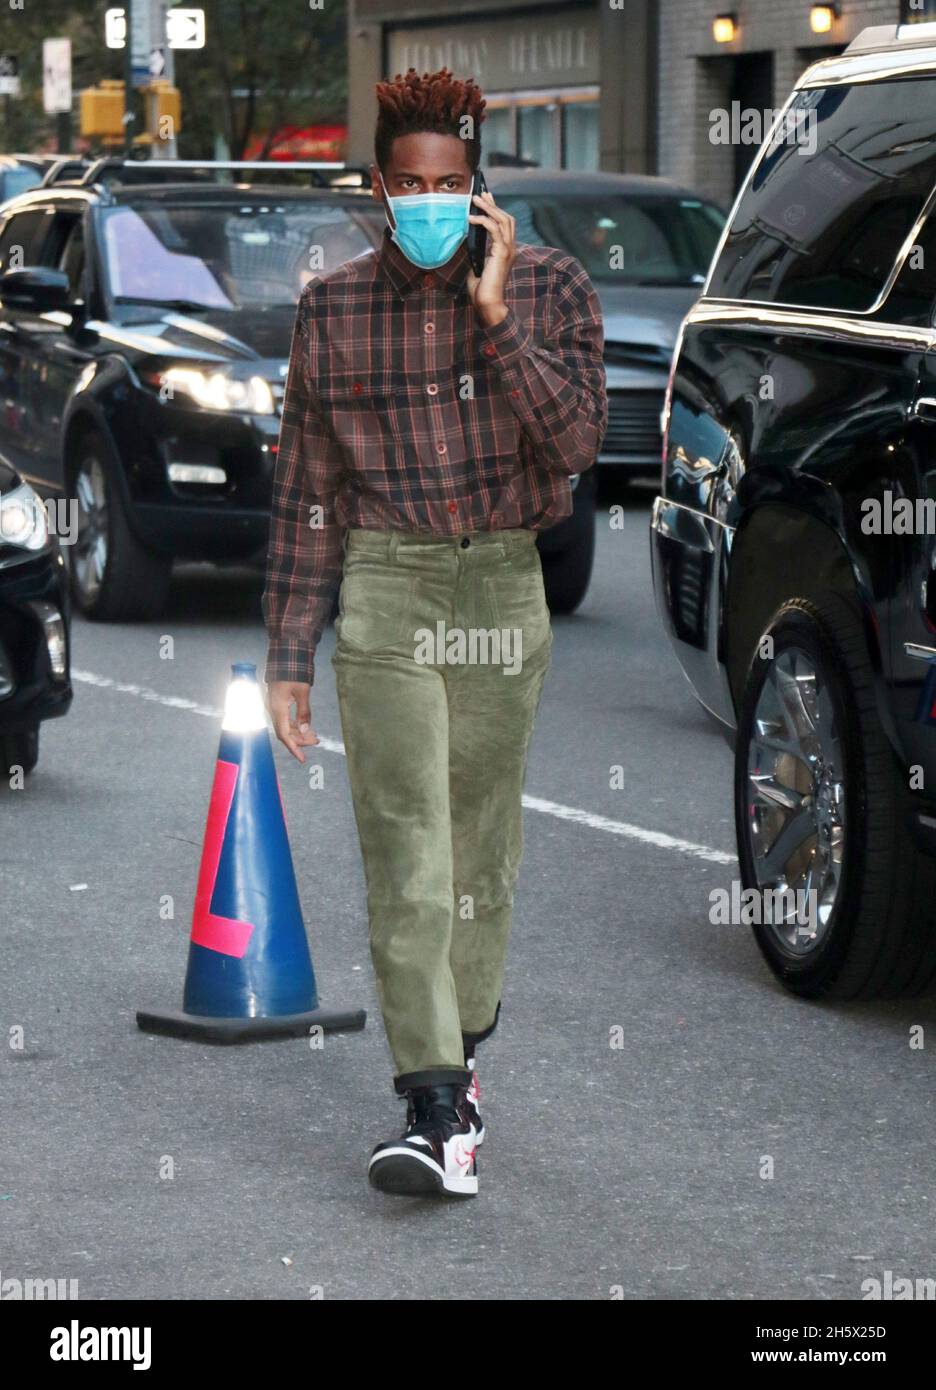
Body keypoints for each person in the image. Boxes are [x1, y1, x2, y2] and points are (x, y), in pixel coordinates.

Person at [263, 66, 607, 1199]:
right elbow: (308, 490)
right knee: (406, 843)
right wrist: (290, 653)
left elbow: (576, 446)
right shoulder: (332, 308)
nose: (428, 202)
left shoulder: (549, 287)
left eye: (448, 183)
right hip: (388, 584)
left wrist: (497, 319)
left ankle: (462, 1050)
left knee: (479, 850)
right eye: (409, 186)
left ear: (479, 186)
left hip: (502, 584)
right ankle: (432, 1103)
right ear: (379, 188)